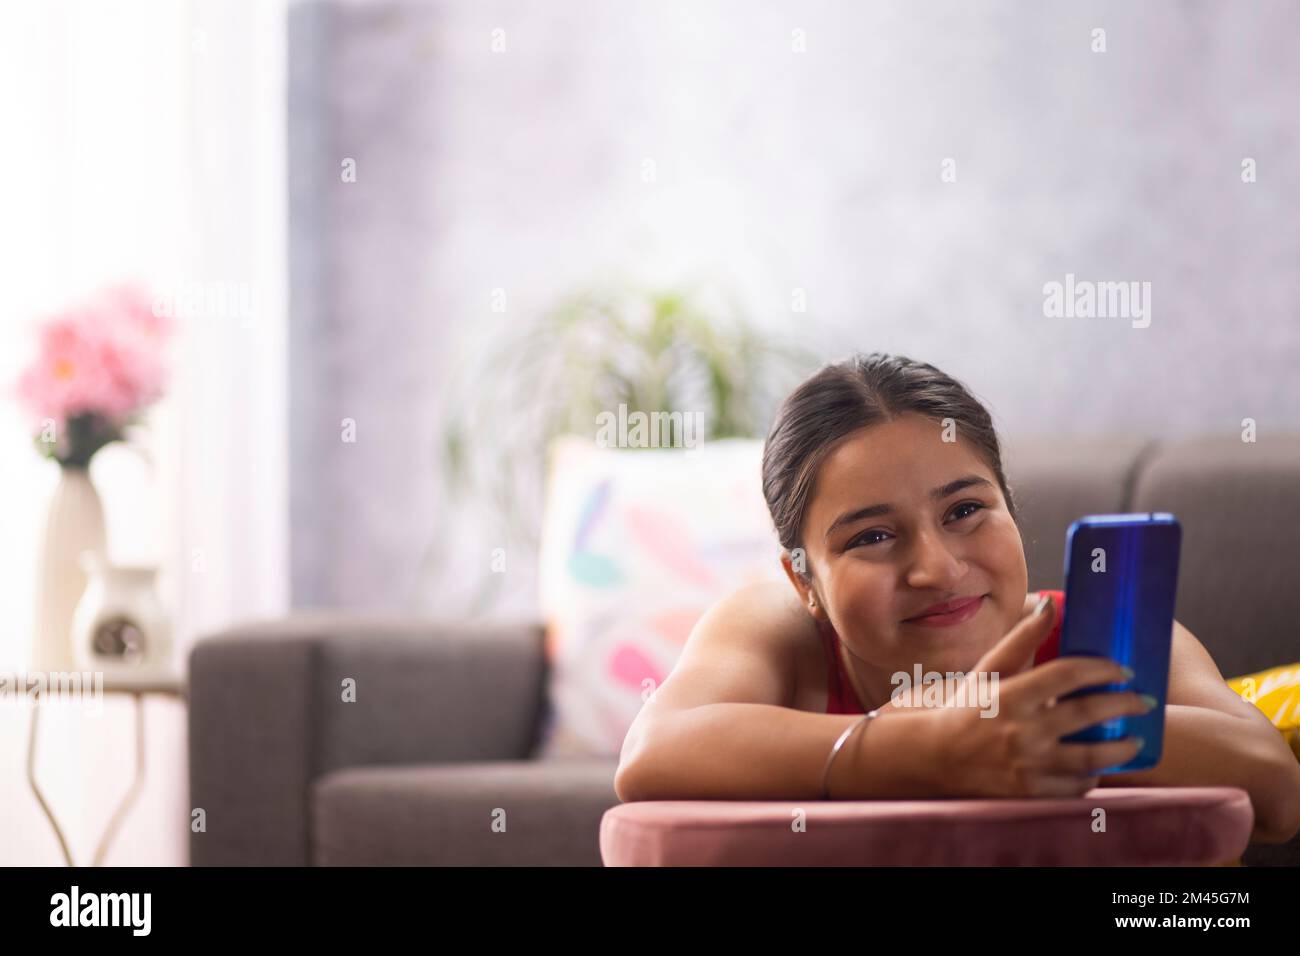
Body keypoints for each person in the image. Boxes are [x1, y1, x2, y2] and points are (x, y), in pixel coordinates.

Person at [613, 352, 1300, 846]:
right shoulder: (778, 629)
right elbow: (653, 752)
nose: (935, 569)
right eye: (872, 536)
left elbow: (1275, 787)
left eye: (966, 510)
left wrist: (1046, 729)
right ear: (805, 583)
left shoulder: (1098, 638)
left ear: (1010, 508)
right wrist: (923, 744)